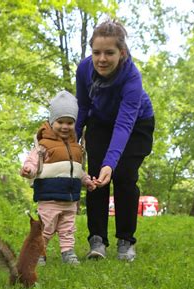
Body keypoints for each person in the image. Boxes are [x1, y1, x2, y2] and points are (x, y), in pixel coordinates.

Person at [75, 19, 155, 262]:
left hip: (135, 124)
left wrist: (112, 162)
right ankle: (97, 239)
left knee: (124, 175)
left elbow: (124, 124)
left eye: (109, 53)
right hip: (99, 120)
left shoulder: (131, 77)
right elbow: (82, 108)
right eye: (96, 52)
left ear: (122, 52)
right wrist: (68, 144)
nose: (101, 59)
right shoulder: (84, 69)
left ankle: (125, 240)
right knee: (96, 176)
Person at [20, 90, 96, 265]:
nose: (64, 126)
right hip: (49, 198)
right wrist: (28, 170)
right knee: (46, 228)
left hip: (71, 200)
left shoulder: (76, 147)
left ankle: (68, 252)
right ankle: (39, 253)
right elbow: (33, 162)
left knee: (68, 228)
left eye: (69, 123)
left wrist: (86, 181)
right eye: (60, 122)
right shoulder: (44, 145)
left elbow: (77, 170)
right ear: (52, 121)